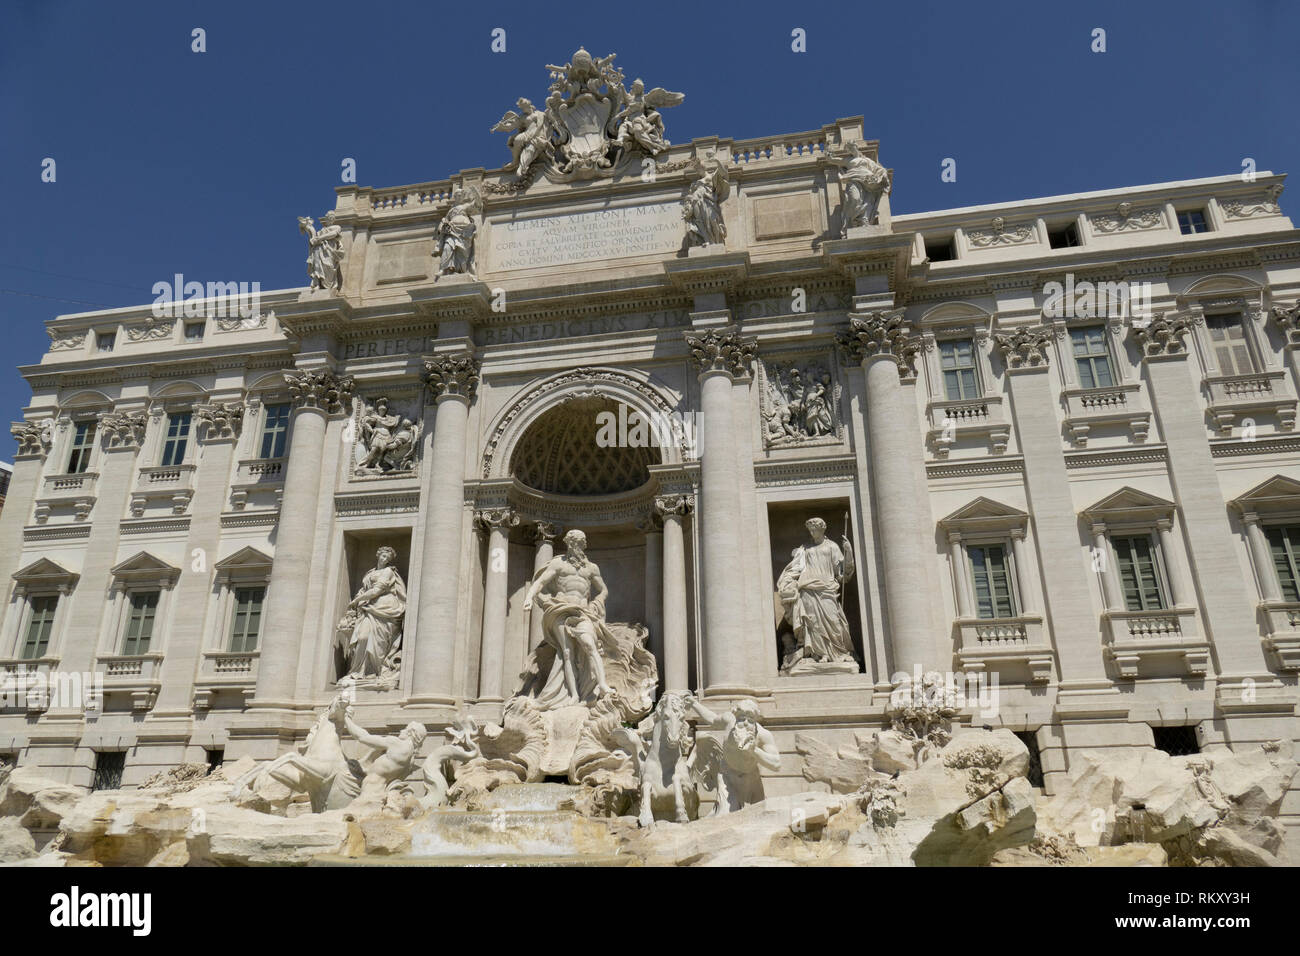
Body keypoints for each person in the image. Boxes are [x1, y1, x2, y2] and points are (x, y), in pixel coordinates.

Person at [521, 529, 616, 705]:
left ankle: (602, 685)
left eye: (582, 543)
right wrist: (529, 597)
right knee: (567, 652)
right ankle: (573, 695)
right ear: (569, 544)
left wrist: (598, 601)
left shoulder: (591, 568)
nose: (580, 546)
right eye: (576, 543)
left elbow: (603, 589)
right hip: (561, 610)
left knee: (590, 644)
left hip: (583, 612)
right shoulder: (559, 565)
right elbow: (540, 582)